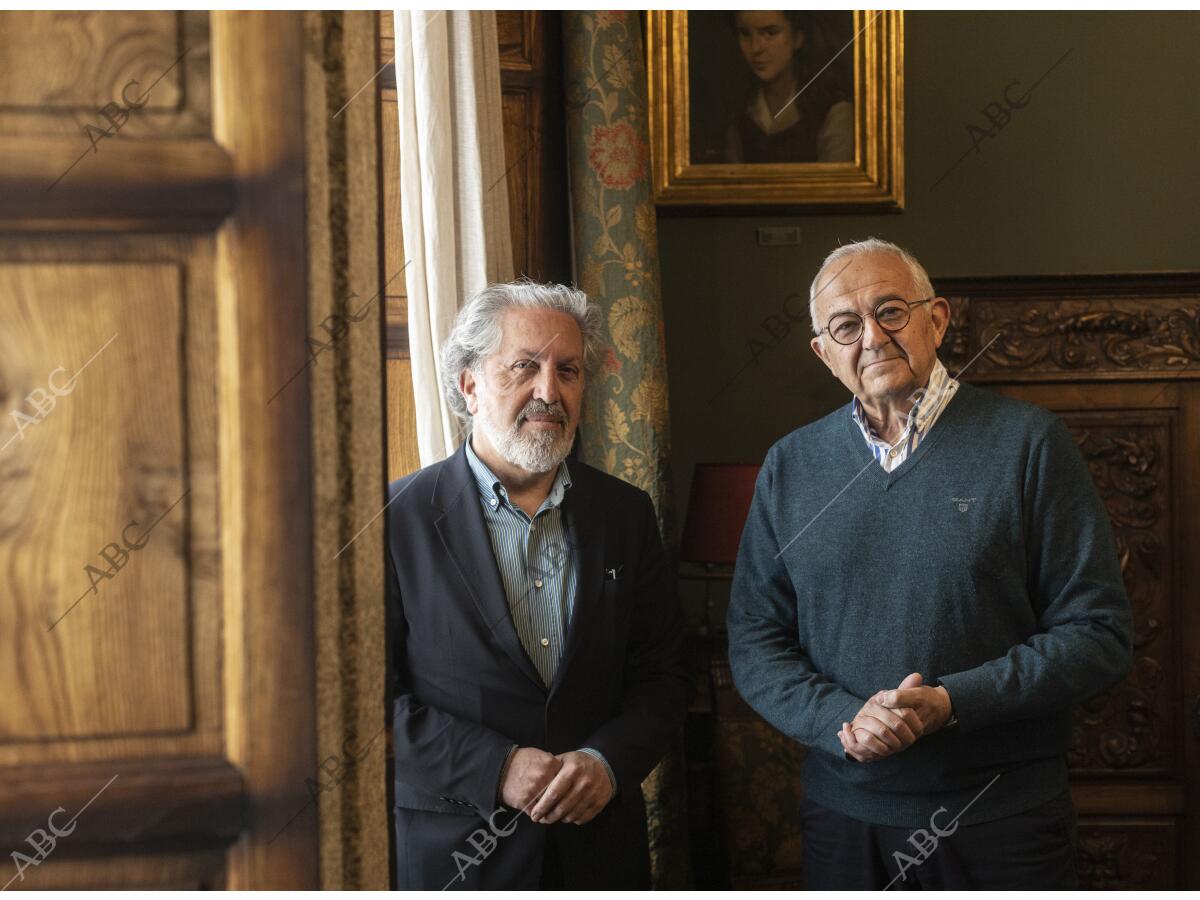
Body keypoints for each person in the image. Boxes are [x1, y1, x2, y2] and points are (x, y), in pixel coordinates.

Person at [726, 238, 1132, 889]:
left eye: (891, 311)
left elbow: (1098, 634)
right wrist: (840, 720)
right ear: (824, 352)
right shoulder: (790, 466)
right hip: (843, 821)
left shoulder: (1029, 444)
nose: (872, 337)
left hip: (1003, 822)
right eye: (846, 325)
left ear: (936, 320)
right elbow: (754, 641)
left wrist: (951, 702)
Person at [385, 281, 689, 889]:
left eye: (567, 371)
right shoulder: (395, 518)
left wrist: (606, 762)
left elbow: (665, 676)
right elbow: (364, 704)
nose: (549, 391)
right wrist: (495, 768)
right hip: (457, 859)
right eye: (524, 366)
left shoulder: (625, 513)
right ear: (470, 386)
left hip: (598, 853)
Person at [724, 11, 854, 164]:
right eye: (745, 34)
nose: (755, 48)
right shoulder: (739, 112)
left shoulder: (832, 111)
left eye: (770, 33)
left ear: (798, 37)